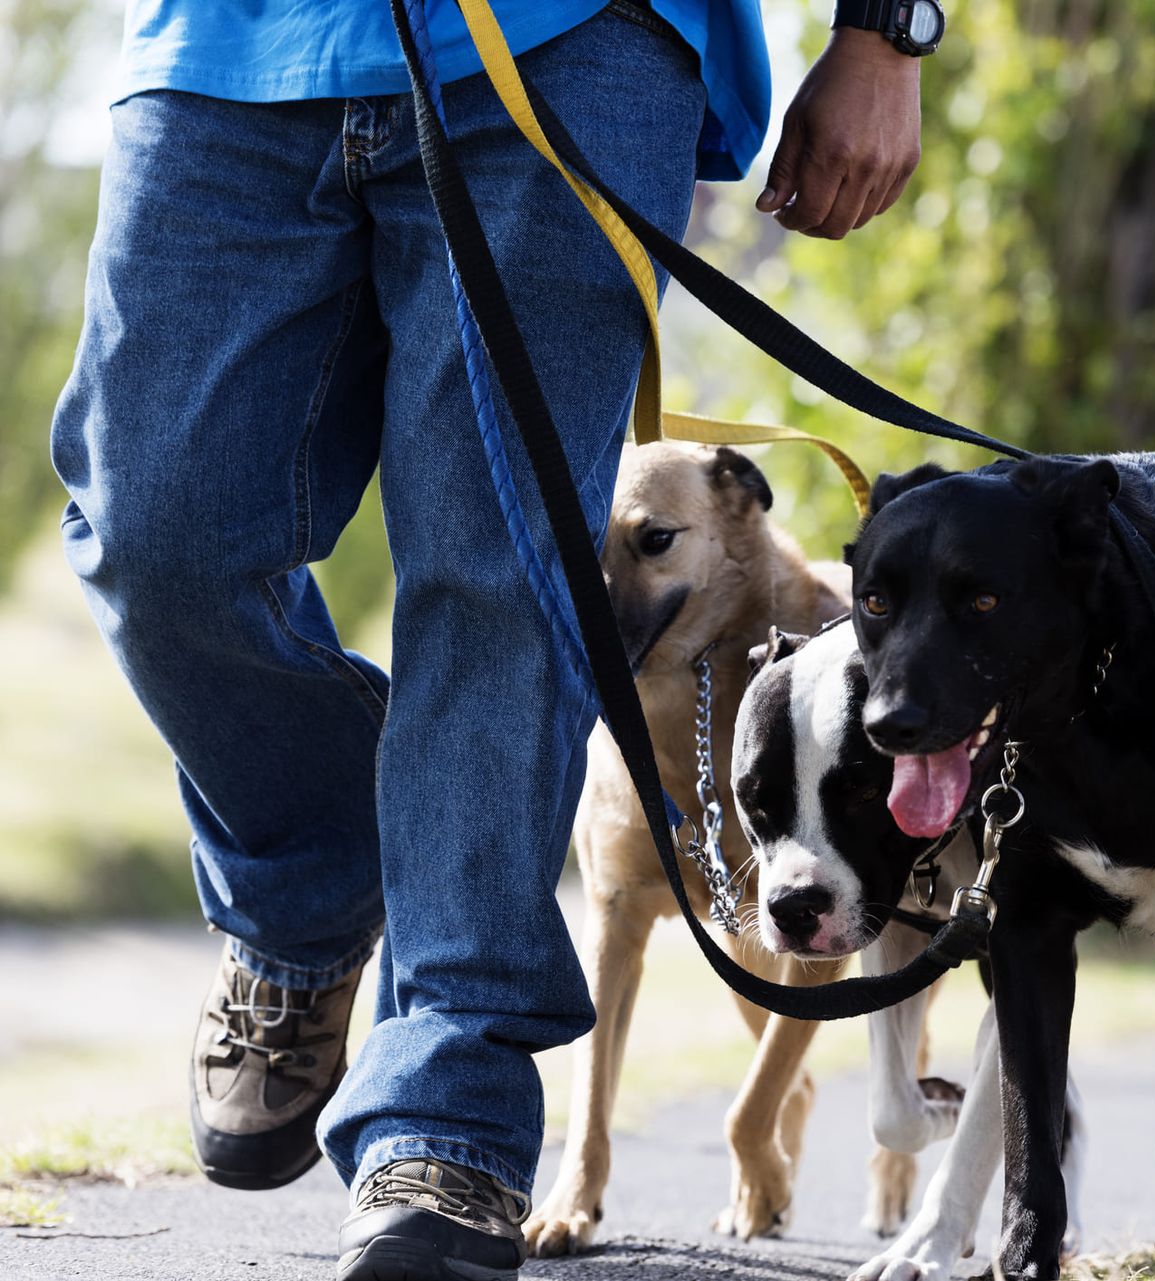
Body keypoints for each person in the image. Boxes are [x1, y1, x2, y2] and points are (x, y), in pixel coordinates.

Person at [49, 0, 940, 1277]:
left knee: (504, 581)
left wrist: (884, 29)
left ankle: (445, 1110)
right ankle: (313, 873)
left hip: (578, 41)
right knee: (155, 533)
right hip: (222, 41)